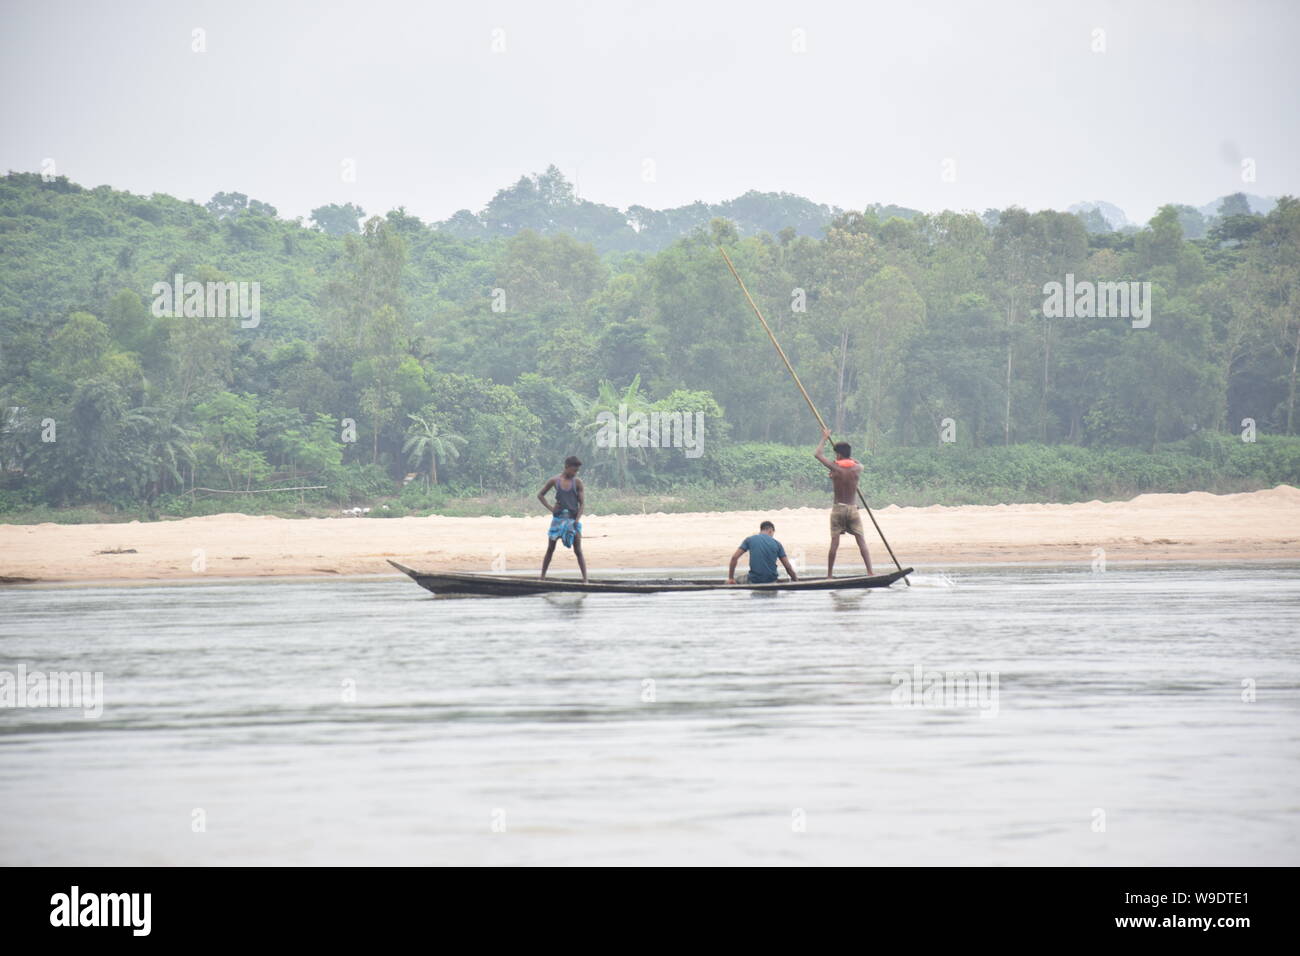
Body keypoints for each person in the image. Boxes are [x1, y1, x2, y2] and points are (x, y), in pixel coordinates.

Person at [814, 427, 873, 576]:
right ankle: (870, 572)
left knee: (835, 543)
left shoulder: (835, 468)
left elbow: (817, 454)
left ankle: (829, 575)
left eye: (836, 454)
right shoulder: (857, 468)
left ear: (839, 454)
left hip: (838, 509)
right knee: (861, 541)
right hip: (853, 509)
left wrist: (825, 438)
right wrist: (847, 459)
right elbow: (858, 463)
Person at [537, 456, 588, 582]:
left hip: (572, 520)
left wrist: (577, 520)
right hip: (558, 520)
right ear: (566, 467)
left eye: (576, 471)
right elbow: (540, 495)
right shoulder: (555, 481)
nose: (575, 473)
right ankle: (542, 578)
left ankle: (585, 580)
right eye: (573, 470)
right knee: (550, 549)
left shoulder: (577, 483)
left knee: (578, 550)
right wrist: (551, 508)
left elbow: (582, 504)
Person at [727, 520, 798, 585]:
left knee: (733, 581)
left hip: (754, 579)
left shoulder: (749, 540)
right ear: (771, 531)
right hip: (771, 580)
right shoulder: (777, 544)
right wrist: (795, 580)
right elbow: (788, 567)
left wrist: (731, 578)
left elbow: (734, 558)